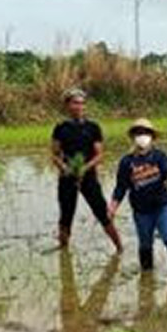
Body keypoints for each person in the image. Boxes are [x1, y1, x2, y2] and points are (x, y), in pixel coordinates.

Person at [51, 89, 123, 252]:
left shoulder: (93, 127)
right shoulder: (61, 128)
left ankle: (119, 248)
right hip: (67, 178)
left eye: (82, 103)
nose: (79, 106)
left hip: (89, 177)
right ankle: (63, 250)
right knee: (66, 216)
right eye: (75, 103)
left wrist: (84, 168)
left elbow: (99, 155)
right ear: (68, 105)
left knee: (102, 213)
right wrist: (64, 167)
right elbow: (55, 155)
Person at [108, 119, 167, 273]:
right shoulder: (126, 162)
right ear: (133, 137)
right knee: (145, 245)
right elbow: (121, 187)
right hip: (141, 211)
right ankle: (147, 278)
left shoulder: (160, 157)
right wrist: (113, 207)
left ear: (152, 137)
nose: (142, 136)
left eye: (146, 132)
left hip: (161, 207)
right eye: (138, 133)